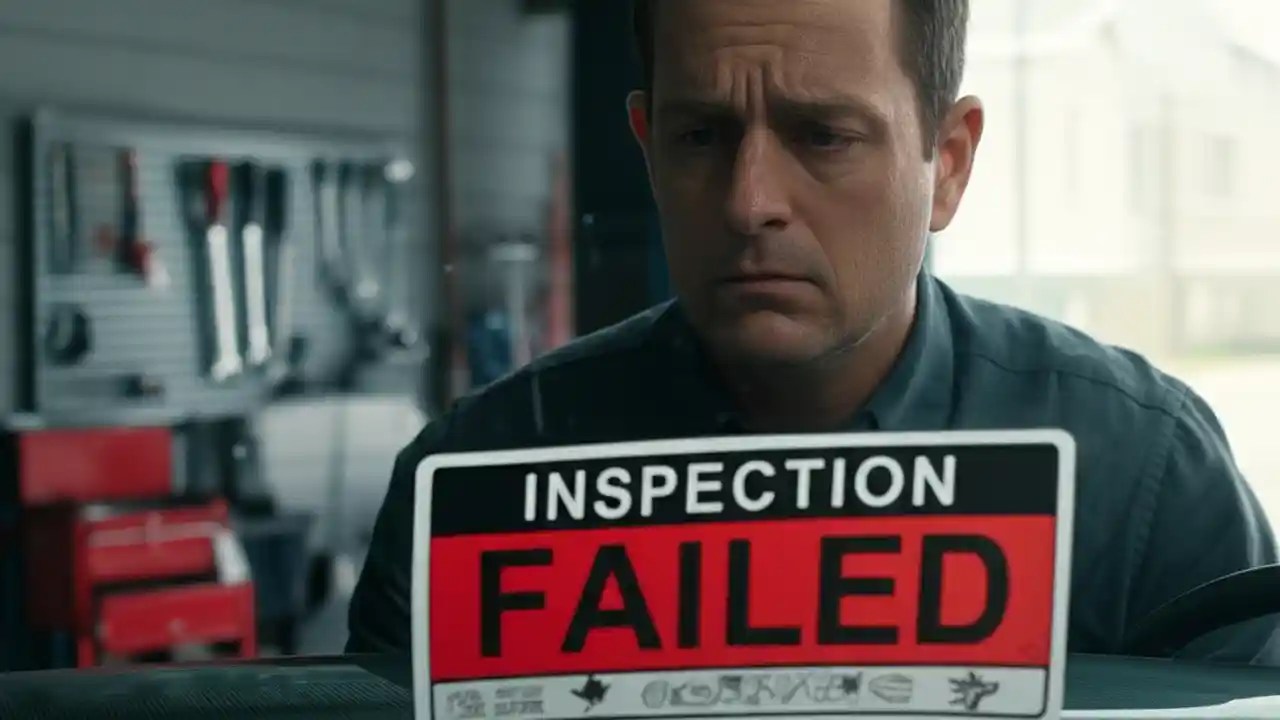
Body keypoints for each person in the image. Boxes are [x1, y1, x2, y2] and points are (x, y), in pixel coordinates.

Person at [348, 0, 1278, 662]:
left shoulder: (1140, 470)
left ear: (946, 164)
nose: (751, 203)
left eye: (823, 135)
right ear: (645, 144)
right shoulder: (476, 482)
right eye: (702, 137)